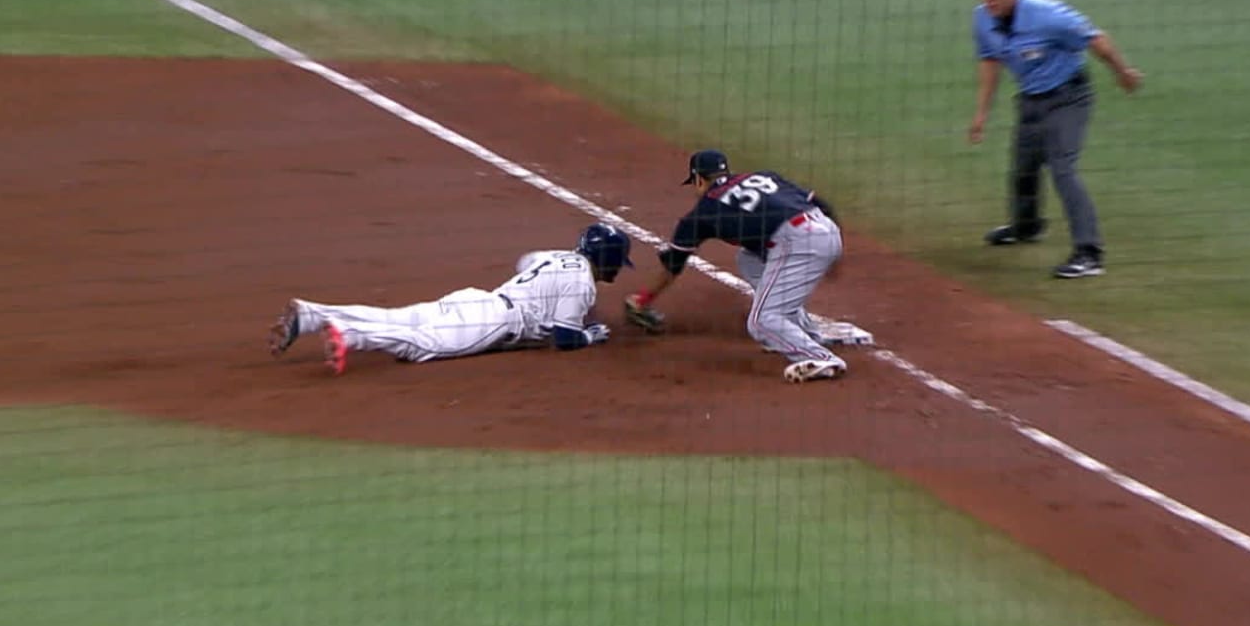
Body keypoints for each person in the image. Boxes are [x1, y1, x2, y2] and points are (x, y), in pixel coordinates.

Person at [967, 0, 1143, 278]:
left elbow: (1096, 39)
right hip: (1030, 100)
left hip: (1069, 97)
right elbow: (990, 62)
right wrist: (981, 115)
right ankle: (1027, 226)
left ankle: (1089, 253)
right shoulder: (983, 19)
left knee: (1062, 169)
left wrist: (1123, 71)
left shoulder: (1049, 16)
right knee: (1023, 167)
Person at [267, 223, 633, 374]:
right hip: (493, 323)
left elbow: (526, 260)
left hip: (475, 301)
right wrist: (591, 334)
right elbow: (566, 339)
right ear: (609, 261)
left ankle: (313, 314)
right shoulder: (583, 282)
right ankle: (348, 336)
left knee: (399, 317)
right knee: (421, 345)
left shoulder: (556, 256)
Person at [623, 149, 849, 383]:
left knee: (761, 321)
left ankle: (821, 358)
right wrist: (833, 252)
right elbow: (821, 203)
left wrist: (641, 299)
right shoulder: (764, 176)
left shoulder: (702, 213)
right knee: (748, 259)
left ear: (699, 180)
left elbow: (673, 264)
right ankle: (801, 333)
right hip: (825, 229)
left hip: (798, 242)